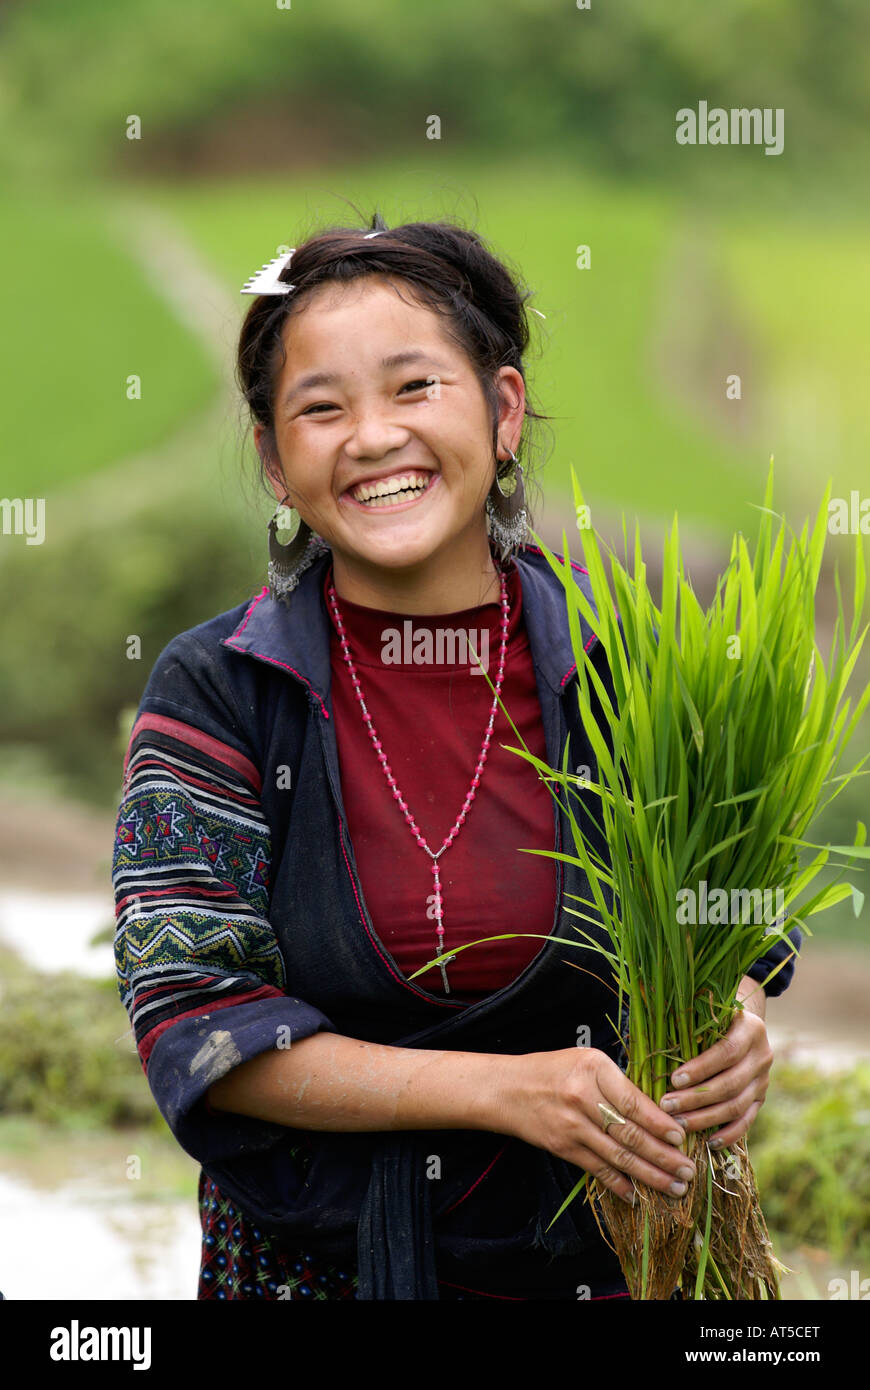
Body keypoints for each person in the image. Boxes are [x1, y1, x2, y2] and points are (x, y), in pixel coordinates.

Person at [111, 213, 797, 1301]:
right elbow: (194, 1018)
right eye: (321, 407)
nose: (374, 436)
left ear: (504, 409)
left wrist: (738, 1019)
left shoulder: (627, 661)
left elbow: (738, 896)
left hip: (616, 1265)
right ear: (273, 460)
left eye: (414, 387)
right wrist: (502, 1090)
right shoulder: (223, 691)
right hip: (320, 1272)